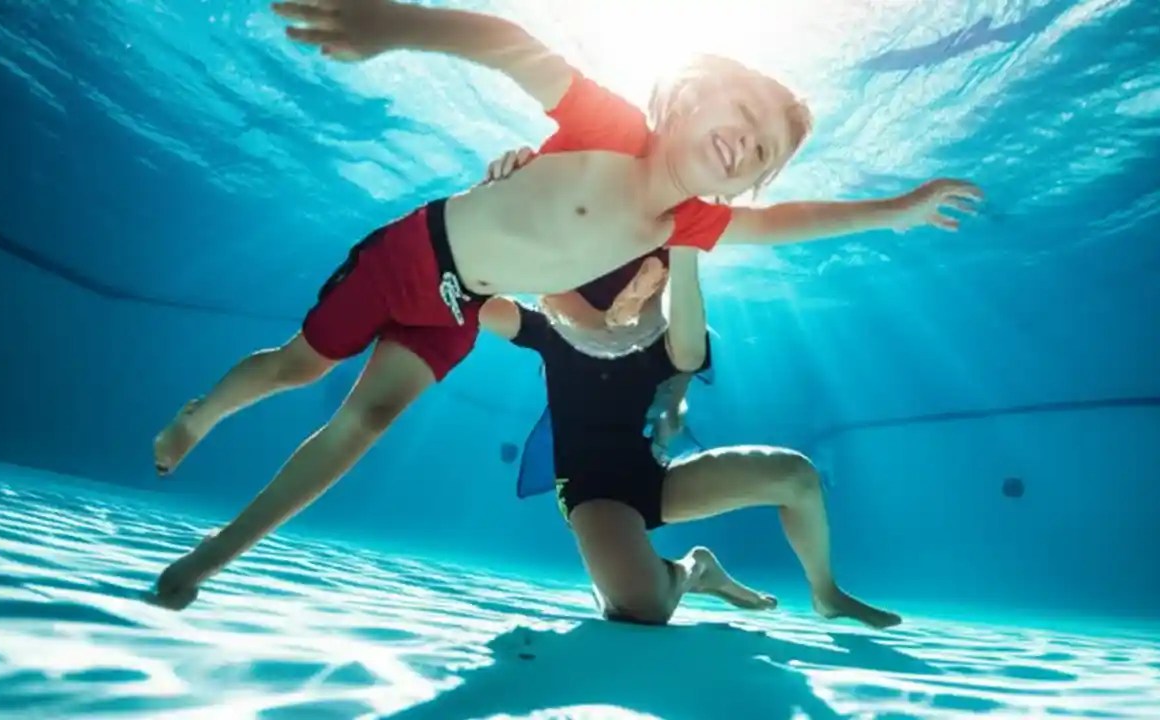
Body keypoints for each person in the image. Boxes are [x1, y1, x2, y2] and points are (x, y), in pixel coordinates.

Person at [148, 0, 982, 609]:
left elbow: (787, 223)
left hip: (460, 309)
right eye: (745, 112)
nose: (749, 138)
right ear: (690, 94)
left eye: (764, 148)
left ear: (747, 180)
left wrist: (895, 209)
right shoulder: (610, 126)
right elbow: (511, 47)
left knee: (362, 425)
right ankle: (201, 412)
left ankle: (216, 555)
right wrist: (393, 24)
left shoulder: (689, 224)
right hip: (412, 255)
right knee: (297, 366)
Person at [480, 240, 900, 628]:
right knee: (643, 608)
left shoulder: (670, 339)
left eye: (650, 278)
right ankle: (693, 571)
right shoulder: (556, 330)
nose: (633, 291)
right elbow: (474, 304)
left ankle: (826, 592)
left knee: (796, 476)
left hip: (655, 480)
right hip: (592, 494)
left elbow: (687, 363)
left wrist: (673, 408)